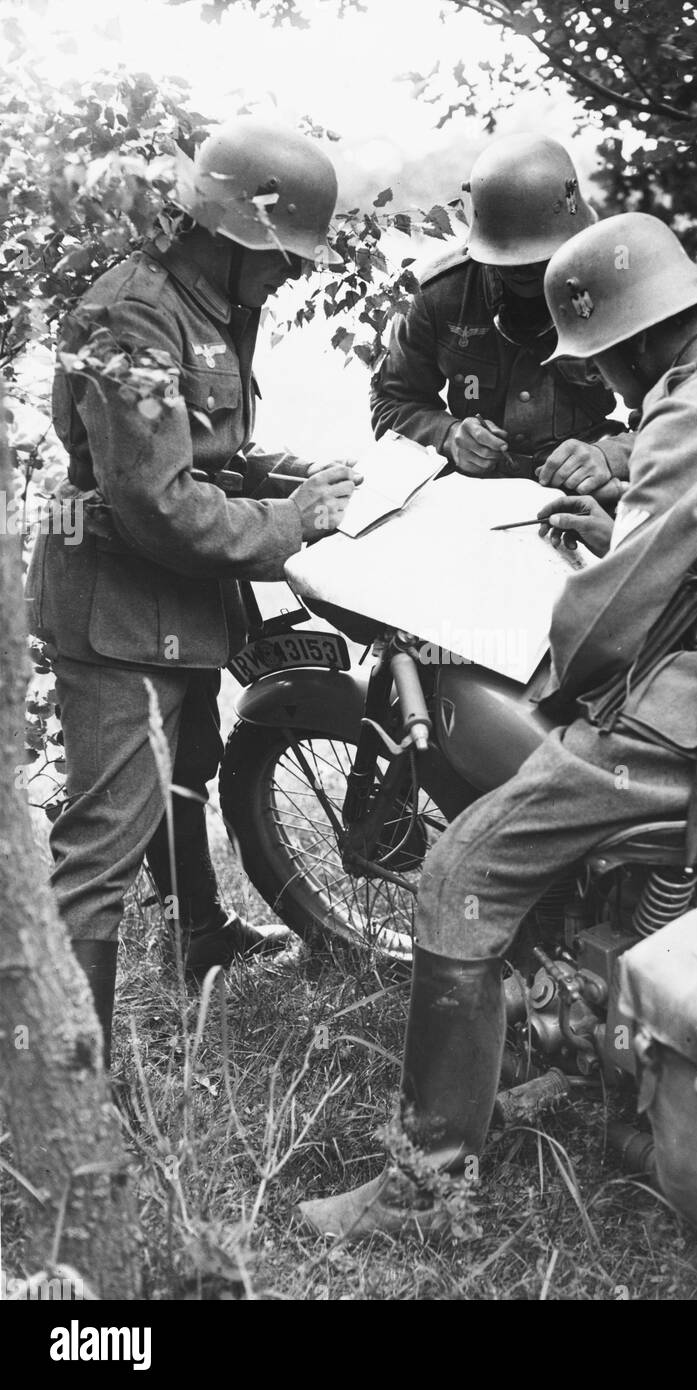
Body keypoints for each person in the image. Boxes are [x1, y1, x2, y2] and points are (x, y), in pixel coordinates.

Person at [299, 211, 697, 1240]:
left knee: (463, 871)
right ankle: (541, 1038)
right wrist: (620, 527)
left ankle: (425, 1186)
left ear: (638, 338)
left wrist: (553, 673)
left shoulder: (692, 413)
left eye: (602, 360)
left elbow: (609, 619)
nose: (605, 383)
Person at [25, 116, 359, 1066]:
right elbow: (155, 501)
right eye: (283, 255)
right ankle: (64, 1084)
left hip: (177, 606)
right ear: (230, 233)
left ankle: (200, 932)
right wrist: (290, 527)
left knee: (187, 768)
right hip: (122, 614)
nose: (294, 275)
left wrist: (290, 479)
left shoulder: (210, 301)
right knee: (100, 847)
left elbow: (211, 451)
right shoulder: (132, 317)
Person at [370, 133, 634, 501]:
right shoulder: (438, 295)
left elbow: (677, 412)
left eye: (538, 253)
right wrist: (446, 435)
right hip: (477, 498)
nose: (523, 267)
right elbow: (392, 403)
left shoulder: (618, 289)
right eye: (509, 254)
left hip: (589, 495)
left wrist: (611, 456)